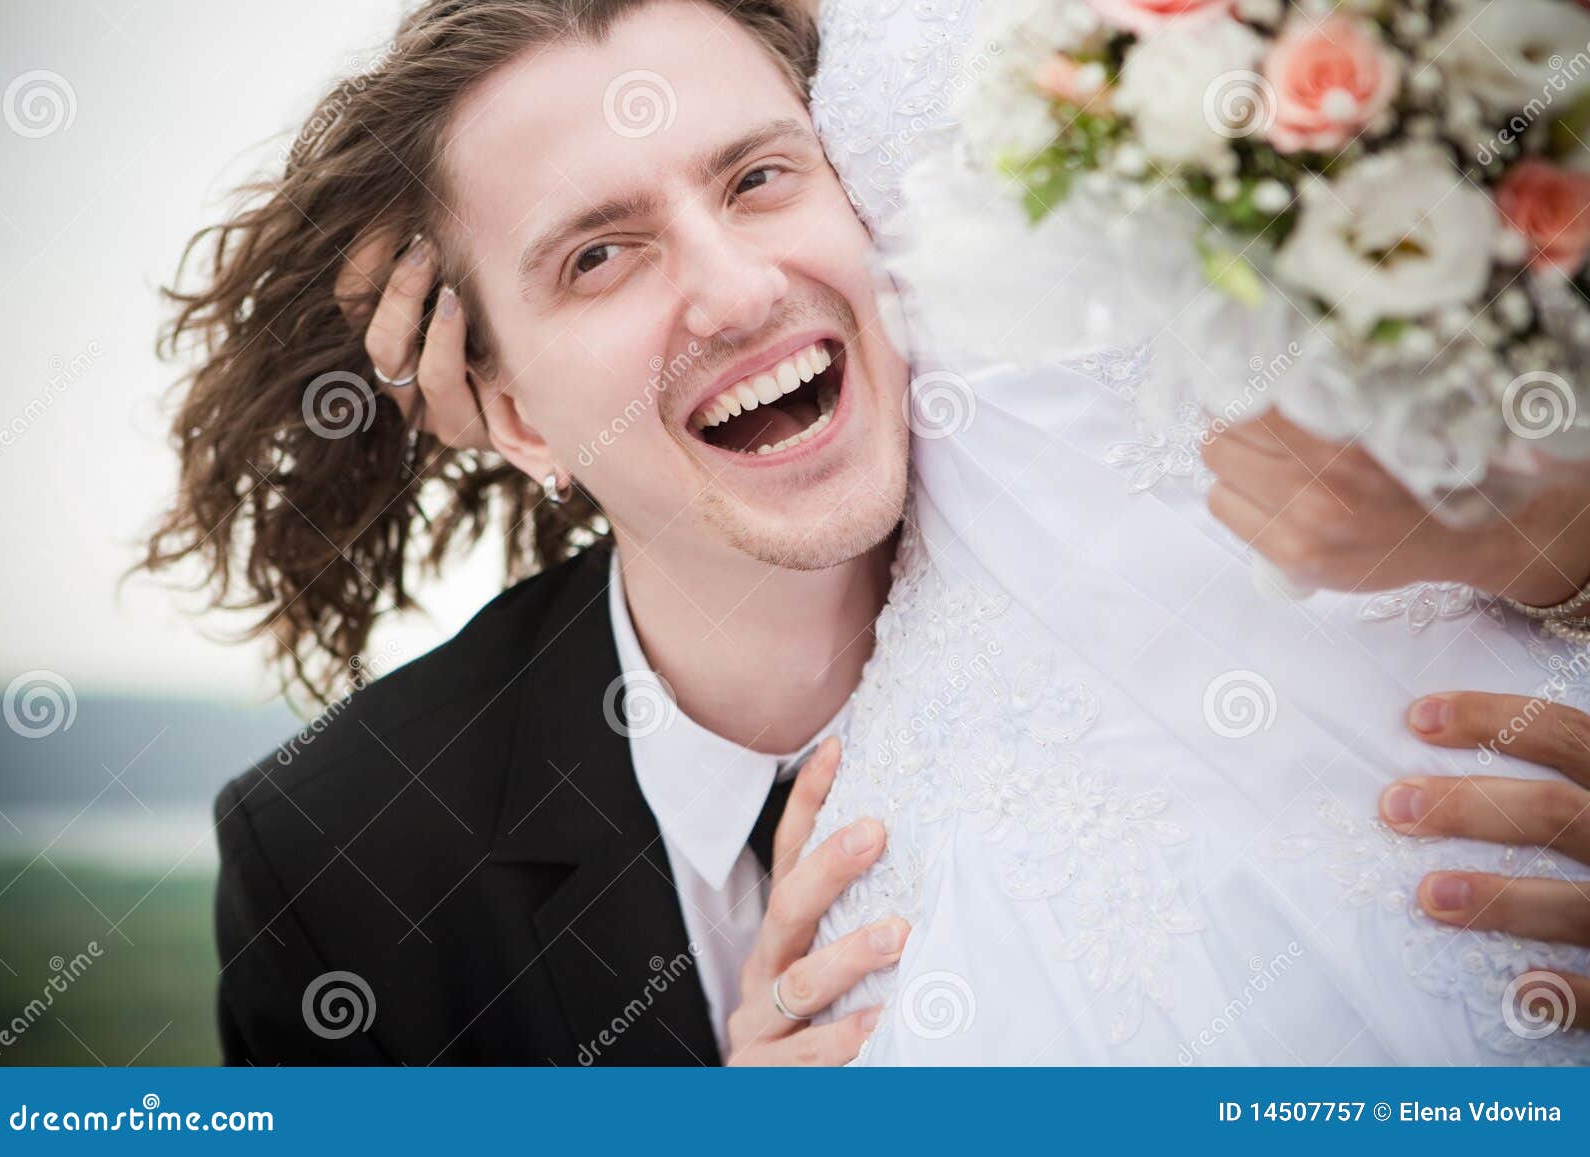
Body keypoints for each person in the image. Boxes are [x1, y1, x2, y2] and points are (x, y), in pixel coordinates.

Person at [151, 0, 1589, 1064]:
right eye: (598, 256)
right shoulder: (347, 863)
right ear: (510, 414)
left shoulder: (1287, 613)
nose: (733, 291)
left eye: (760, 179)